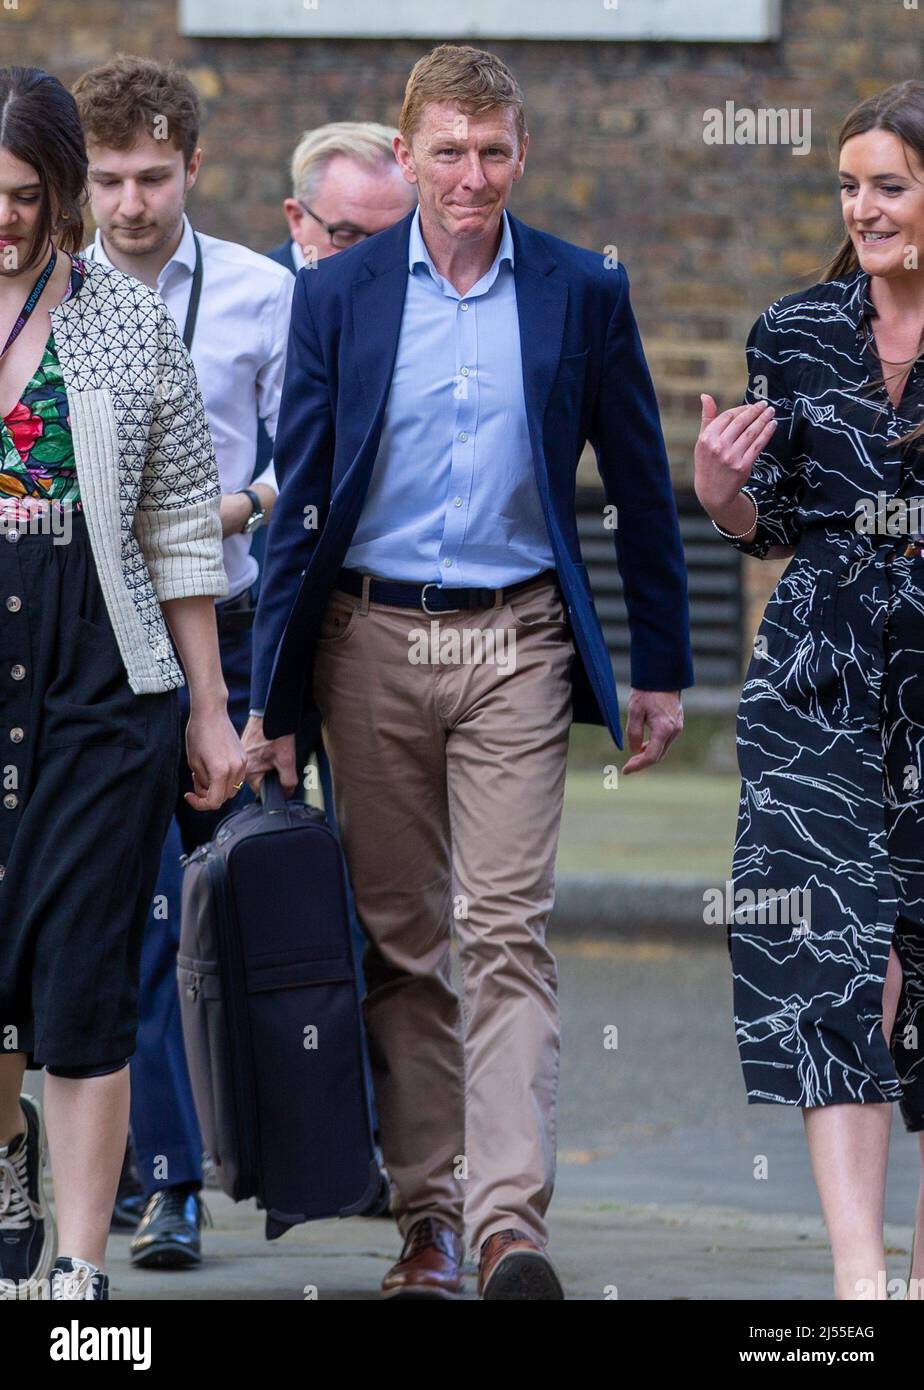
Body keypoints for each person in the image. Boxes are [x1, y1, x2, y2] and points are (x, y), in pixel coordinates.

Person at [244, 43, 693, 1300]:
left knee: (505, 929)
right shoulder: (340, 295)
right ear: (407, 155)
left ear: (523, 154)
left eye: (494, 151)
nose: (472, 176)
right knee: (403, 943)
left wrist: (660, 667)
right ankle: (428, 1220)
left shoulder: (581, 289)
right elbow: (300, 504)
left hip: (517, 638)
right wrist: (270, 699)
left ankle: (507, 1227)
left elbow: (640, 484)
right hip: (367, 639)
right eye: (448, 151)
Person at [0, 66, 242, 1301]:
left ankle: (81, 1270)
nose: (4, 217)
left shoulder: (127, 323)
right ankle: (11, 1167)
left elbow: (181, 533)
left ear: (61, 191)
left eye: (23, 194)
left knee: (85, 972)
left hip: (104, 674)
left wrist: (210, 707)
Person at [695, 80, 924, 1301]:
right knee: (825, 956)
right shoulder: (794, 330)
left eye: (890, 185)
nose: (863, 209)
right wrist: (718, 490)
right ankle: (857, 1279)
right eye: (849, 186)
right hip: (818, 673)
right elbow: (771, 521)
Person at [71, 54, 293, 1270]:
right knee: (134, 917)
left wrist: (239, 504)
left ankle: (284, 1155)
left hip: (236, 631)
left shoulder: (264, 292)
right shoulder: (50, 300)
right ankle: (164, 1181)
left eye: (153, 177)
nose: (130, 203)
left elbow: (312, 455)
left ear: (194, 166)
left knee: (244, 914)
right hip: (99, 642)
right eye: (108, 179)